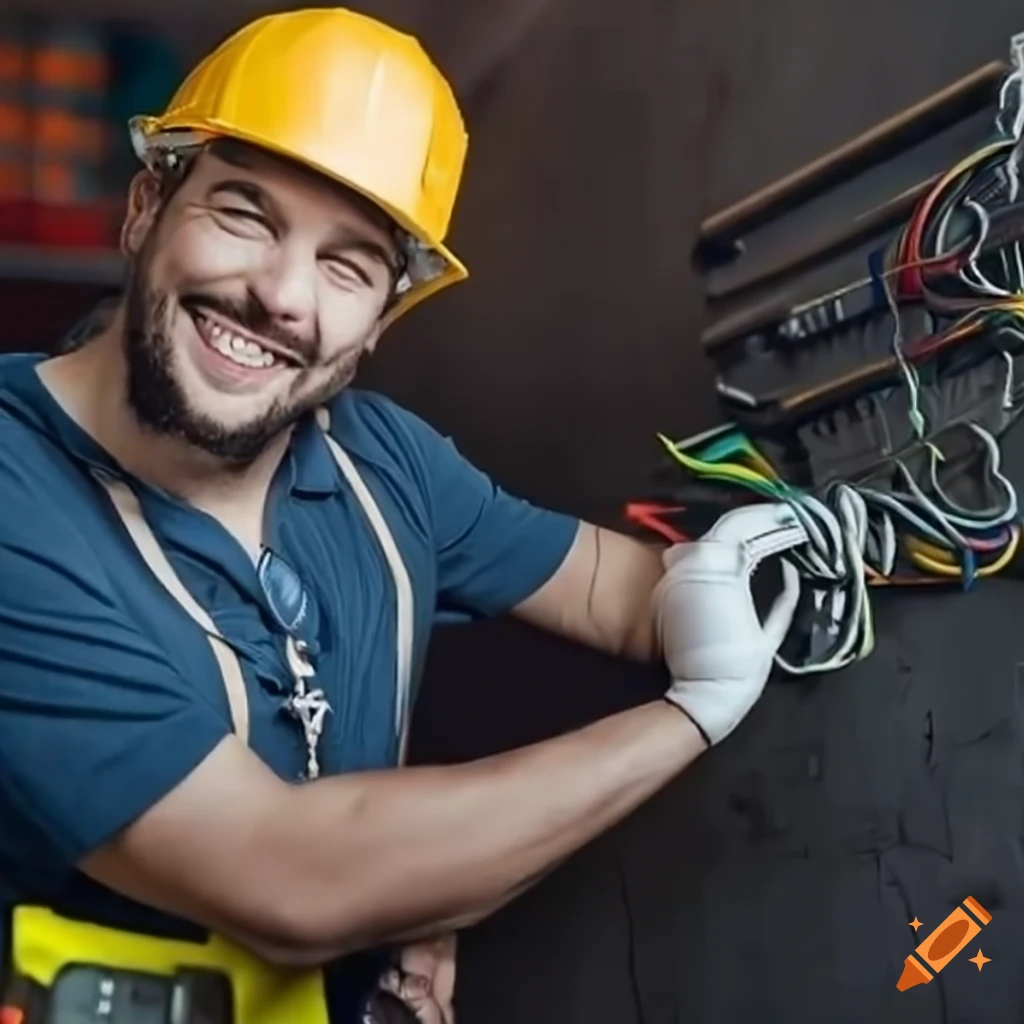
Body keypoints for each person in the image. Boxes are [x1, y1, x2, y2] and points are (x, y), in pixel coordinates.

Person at [0, 9, 806, 1024]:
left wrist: (768, 559)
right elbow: (289, 881)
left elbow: (621, 594)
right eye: (245, 213)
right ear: (146, 206)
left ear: (382, 316)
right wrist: (686, 719)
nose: (281, 296)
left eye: (347, 265)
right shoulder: (16, 492)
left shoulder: (381, 464)